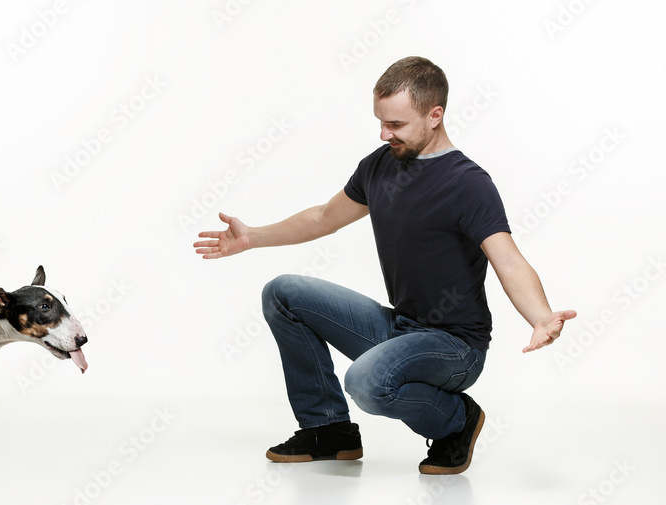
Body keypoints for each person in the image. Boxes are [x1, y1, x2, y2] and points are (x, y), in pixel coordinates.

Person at [193, 56, 575, 475]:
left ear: (435, 115)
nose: (383, 133)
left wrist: (539, 316)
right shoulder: (379, 165)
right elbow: (324, 217)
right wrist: (252, 237)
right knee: (283, 293)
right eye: (380, 121)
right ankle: (328, 430)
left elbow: (509, 260)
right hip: (400, 329)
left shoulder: (467, 183)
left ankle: (456, 420)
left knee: (366, 381)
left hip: (454, 346)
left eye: (396, 124)